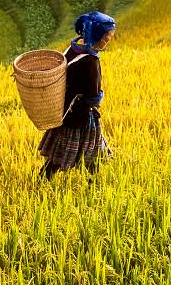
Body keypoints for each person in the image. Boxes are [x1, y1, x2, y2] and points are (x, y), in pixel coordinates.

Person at [39, 11, 116, 179]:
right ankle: (94, 183)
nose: (107, 42)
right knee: (91, 152)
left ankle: (44, 178)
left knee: (60, 151)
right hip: (81, 115)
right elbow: (93, 96)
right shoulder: (91, 62)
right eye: (107, 38)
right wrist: (99, 99)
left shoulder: (72, 49)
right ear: (97, 36)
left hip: (64, 109)